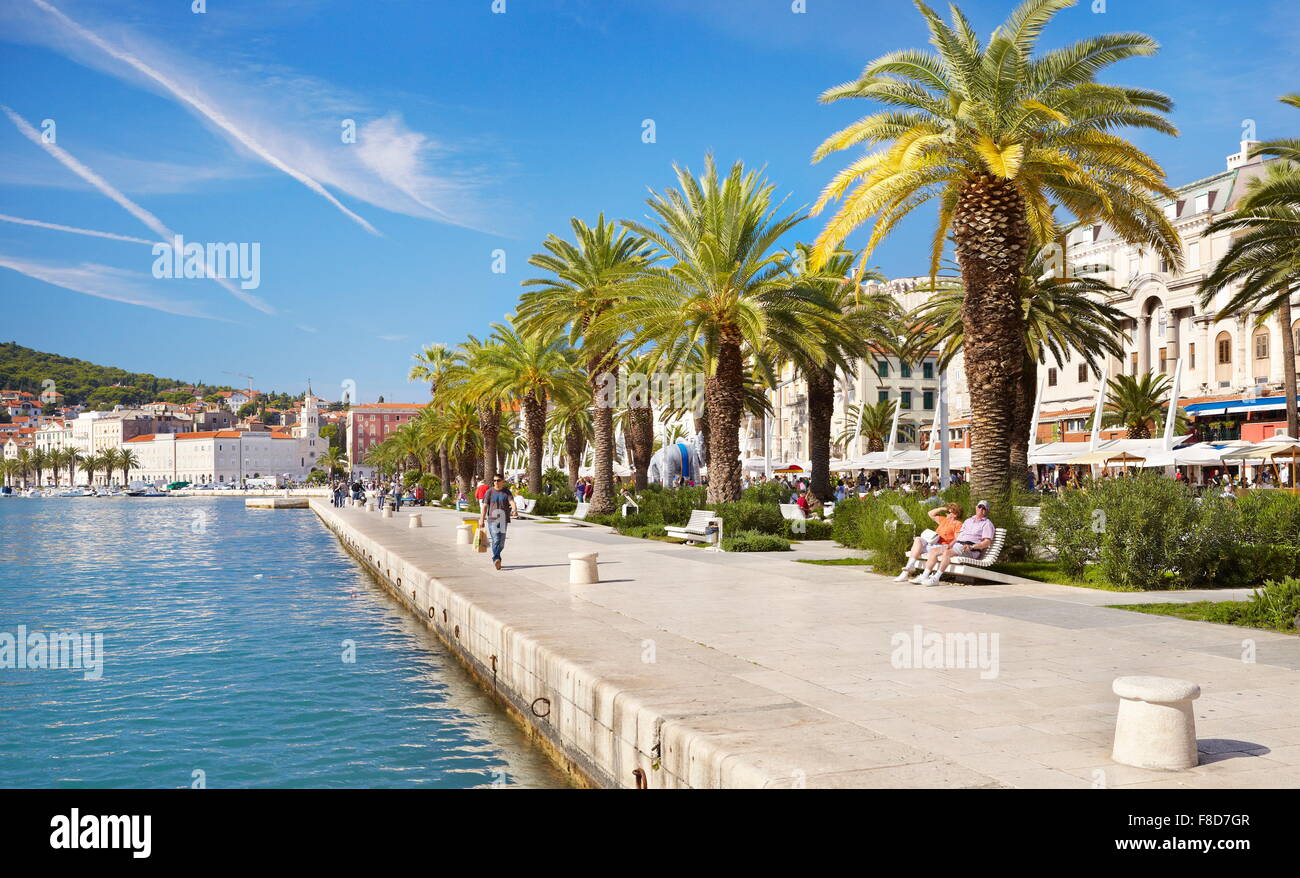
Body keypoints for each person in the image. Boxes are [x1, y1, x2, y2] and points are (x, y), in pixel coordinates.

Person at [913, 499, 995, 586]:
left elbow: (987, 542)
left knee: (947, 553)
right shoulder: (968, 521)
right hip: (958, 546)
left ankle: (936, 578)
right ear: (976, 508)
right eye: (979, 507)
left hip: (970, 549)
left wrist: (972, 547)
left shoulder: (987, 524)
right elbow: (959, 537)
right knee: (934, 551)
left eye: (984, 508)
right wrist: (950, 545)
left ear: (987, 511)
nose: (981, 509)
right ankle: (924, 576)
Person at [895, 503, 962, 581]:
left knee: (921, 547)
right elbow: (930, 513)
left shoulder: (958, 524)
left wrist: (950, 545)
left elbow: (957, 538)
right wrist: (943, 508)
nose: (946, 513)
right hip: (932, 543)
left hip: (942, 546)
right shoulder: (943, 520)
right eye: (946, 512)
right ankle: (910, 567)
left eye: (948, 512)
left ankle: (908, 574)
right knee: (918, 539)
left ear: (955, 514)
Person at [479, 474, 518, 570]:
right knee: (496, 539)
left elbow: (512, 502)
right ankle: (496, 558)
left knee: (501, 543)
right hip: (492, 520)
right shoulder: (489, 492)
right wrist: (481, 519)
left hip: (503, 519)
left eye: (498, 480)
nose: (496, 482)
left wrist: (514, 509)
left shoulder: (506, 492)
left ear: (502, 481)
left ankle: (497, 558)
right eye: (494, 480)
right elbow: (484, 506)